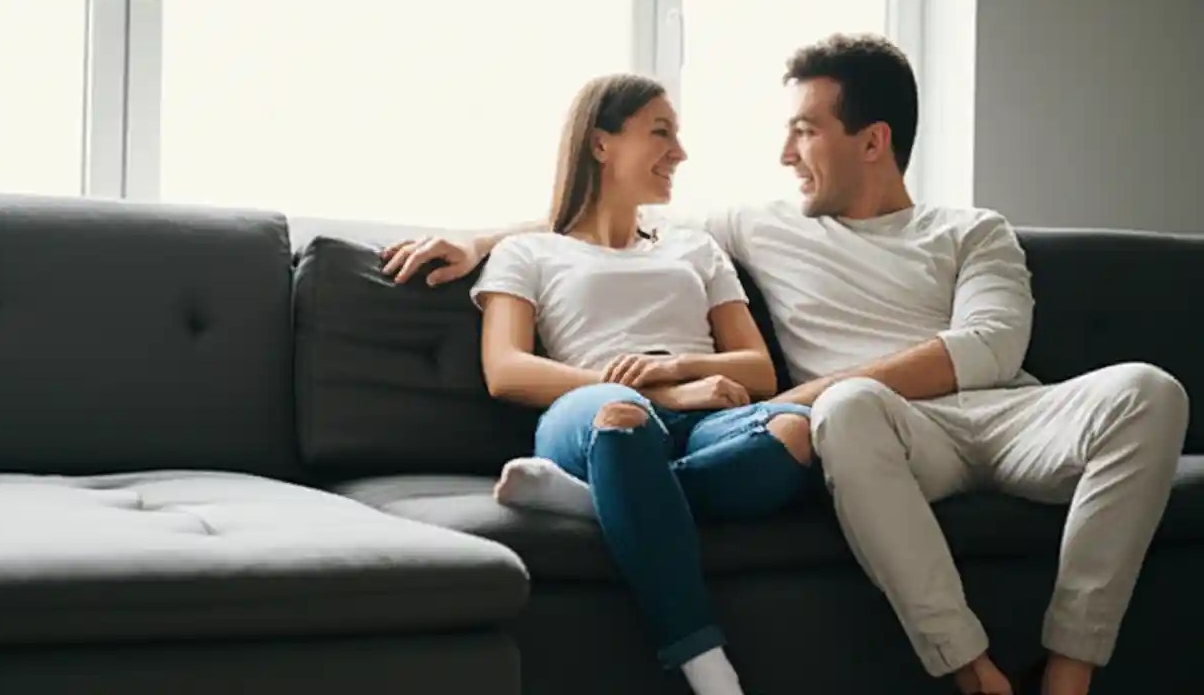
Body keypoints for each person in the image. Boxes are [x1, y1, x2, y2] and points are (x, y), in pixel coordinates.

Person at [382, 35, 1189, 695]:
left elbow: (988, 350)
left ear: (872, 141)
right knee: (844, 414)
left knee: (1151, 391)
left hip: (1003, 415)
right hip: (884, 433)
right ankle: (969, 669)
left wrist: (794, 393)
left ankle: (1071, 666)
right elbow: (597, 217)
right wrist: (479, 240)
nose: (784, 153)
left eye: (804, 130)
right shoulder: (759, 225)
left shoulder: (972, 230)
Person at [461, 72, 814, 695]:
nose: (679, 152)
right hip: (593, 407)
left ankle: (600, 498)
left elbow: (756, 368)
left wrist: (679, 369)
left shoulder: (695, 248)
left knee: (797, 430)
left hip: (703, 420)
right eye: (661, 132)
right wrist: (654, 392)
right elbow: (507, 370)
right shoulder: (530, 252)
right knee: (621, 416)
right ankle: (705, 662)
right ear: (601, 144)